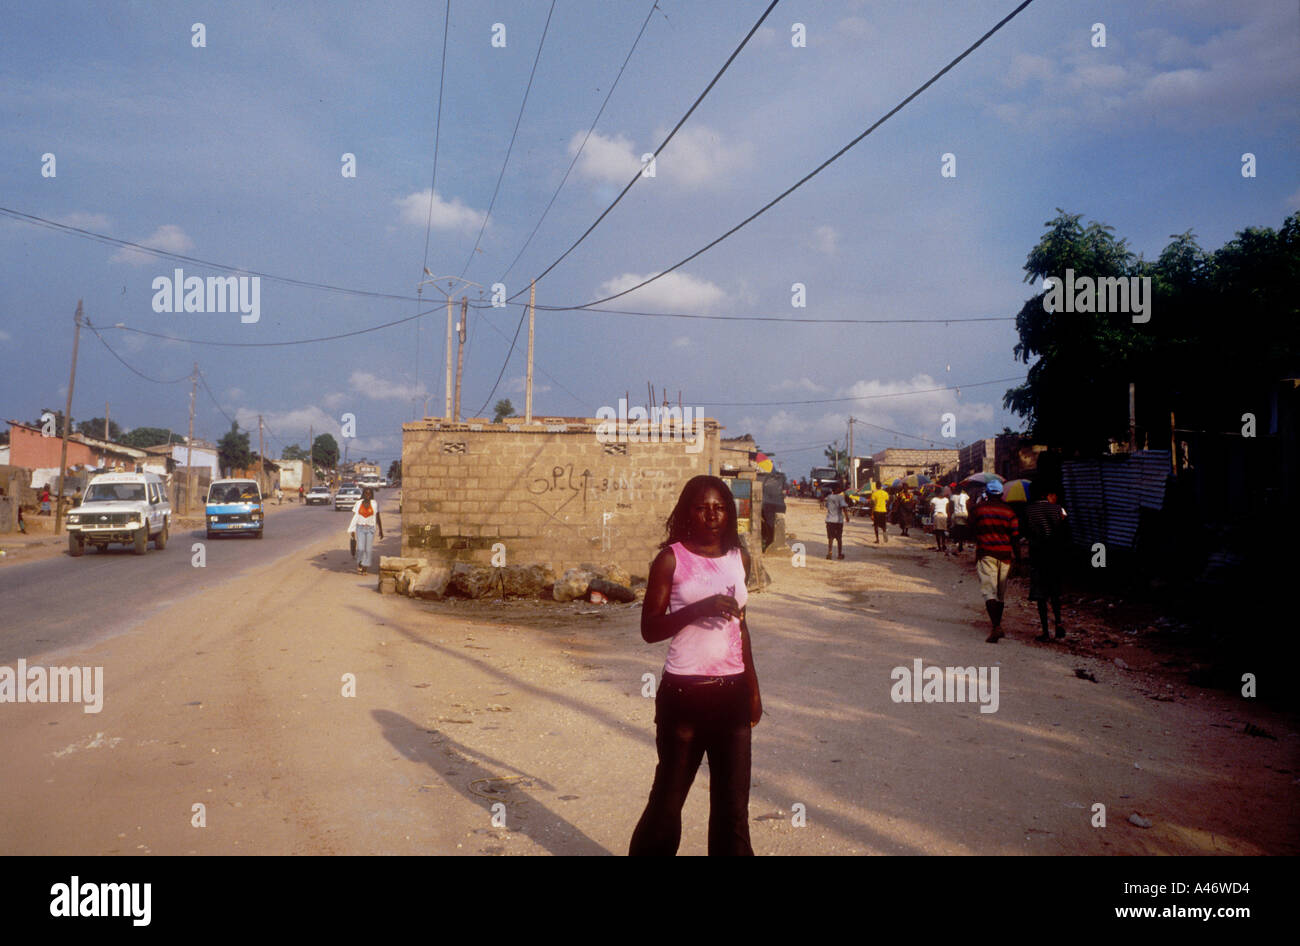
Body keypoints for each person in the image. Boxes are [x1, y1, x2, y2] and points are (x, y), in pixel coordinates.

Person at [630, 475, 760, 856]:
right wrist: (697, 609)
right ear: (689, 511)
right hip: (684, 696)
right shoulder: (671, 559)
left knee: (733, 810)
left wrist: (753, 690)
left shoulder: (740, 558)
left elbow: (742, 626)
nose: (712, 515)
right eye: (702, 507)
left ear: (729, 512)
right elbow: (649, 630)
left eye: (719, 507)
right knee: (668, 804)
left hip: (732, 694)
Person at [970, 479, 1021, 642]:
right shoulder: (1009, 512)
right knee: (1000, 594)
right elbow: (1015, 537)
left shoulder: (979, 509)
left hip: (986, 554)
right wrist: (1018, 558)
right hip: (1005, 556)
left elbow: (971, 528)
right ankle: (997, 625)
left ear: (987, 493)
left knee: (988, 592)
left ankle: (996, 626)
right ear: (1001, 494)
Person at [1025, 486, 1069, 642]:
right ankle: (1058, 623)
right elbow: (1065, 529)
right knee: (1055, 593)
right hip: (1055, 556)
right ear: (1048, 495)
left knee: (1041, 596)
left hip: (1038, 556)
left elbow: (1026, 532)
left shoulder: (1029, 510)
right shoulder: (1058, 509)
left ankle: (1045, 631)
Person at [346, 487, 384, 575]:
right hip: (360, 528)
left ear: (371, 495)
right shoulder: (358, 503)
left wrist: (381, 530)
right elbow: (355, 518)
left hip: (370, 528)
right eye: (366, 493)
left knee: (368, 549)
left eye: (369, 493)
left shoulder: (374, 504)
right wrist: (352, 530)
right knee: (360, 548)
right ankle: (360, 562)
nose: (368, 495)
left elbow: (378, 517)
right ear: (363, 494)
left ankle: (365, 568)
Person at [822, 481, 848, 560]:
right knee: (839, 538)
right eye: (839, 488)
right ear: (837, 489)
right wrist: (847, 517)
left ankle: (829, 553)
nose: (840, 489)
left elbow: (827, 506)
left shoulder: (829, 497)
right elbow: (844, 507)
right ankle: (839, 554)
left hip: (829, 520)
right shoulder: (840, 497)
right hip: (838, 521)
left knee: (830, 538)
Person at [950, 487, 970, 553]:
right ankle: (961, 543)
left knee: (957, 529)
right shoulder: (965, 496)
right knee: (963, 529)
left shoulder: (953, 496)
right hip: (964, 513)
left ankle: (958, 543)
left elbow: (951, 506)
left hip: (957, 514)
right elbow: (968, 504)